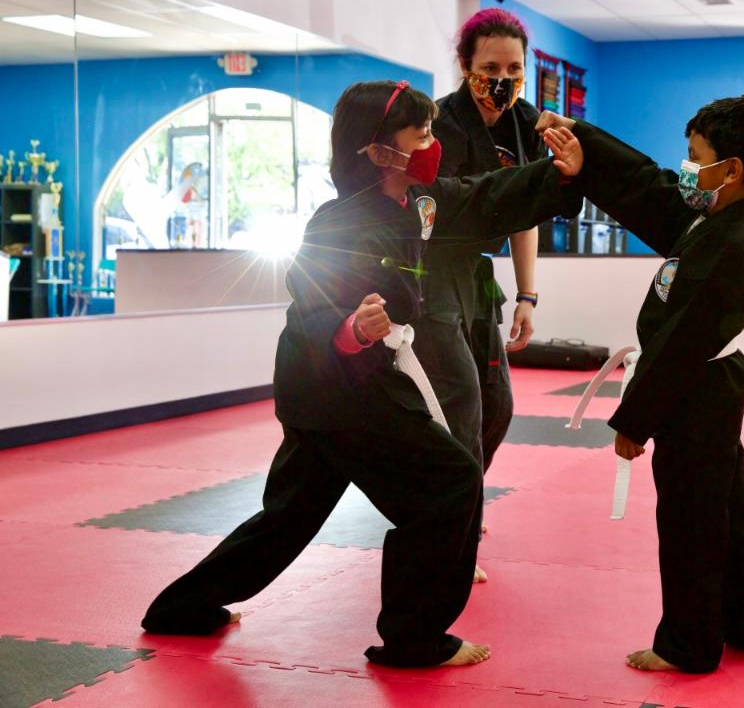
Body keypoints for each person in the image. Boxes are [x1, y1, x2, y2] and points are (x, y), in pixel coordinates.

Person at [140, 80, 584, 667]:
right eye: (421, 135)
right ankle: (414, 638)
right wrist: (351, 328)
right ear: (378, 152)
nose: (435, 146)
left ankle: (179, 609)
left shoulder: (420, 200)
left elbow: (484, 195)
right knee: (451, 480)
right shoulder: (337, 222)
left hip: (334, 390)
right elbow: (310, 302)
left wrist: (559, 176)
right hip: (338, 385)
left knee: (287, 518)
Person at [537, 95, 744, 674]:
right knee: (722, 507)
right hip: (709, 385)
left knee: (689, 521)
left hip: (695, 390)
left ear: (731, 170)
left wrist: (633, 420)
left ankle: (689, 644)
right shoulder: (713, 222)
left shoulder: (727, 244)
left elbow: (678, 343)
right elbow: (644, 185)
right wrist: (580, 140)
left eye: (695, 156)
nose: (684, 165)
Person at [414, 9, 546, 582]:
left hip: (477, 275)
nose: (502, 79)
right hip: (430, 274)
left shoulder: (527, 124)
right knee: (462, 405)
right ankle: (452, 531)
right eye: (489, 67)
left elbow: (527, 212)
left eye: (514, 68)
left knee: (498, 406)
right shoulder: (438, 123)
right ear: (465, 66)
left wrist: (528, 295)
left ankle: (457, 497)